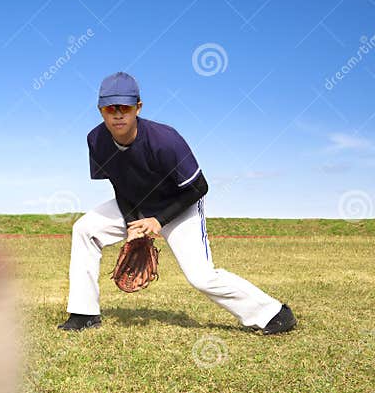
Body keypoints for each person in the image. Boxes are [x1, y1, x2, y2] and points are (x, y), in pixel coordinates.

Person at [58, 71, 296, 334]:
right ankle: (84, 313)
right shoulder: (97, 140)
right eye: (110, 108)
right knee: (85, 229)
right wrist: (132, 225)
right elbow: (119, 184)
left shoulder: (165, 140)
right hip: (138, 203)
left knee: (202, 277)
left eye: (124, 107)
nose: (117, 114)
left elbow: (199, 187)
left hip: (179, 205)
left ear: (138, 107)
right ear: (100, 110)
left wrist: (158, 220)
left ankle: (274, 313)